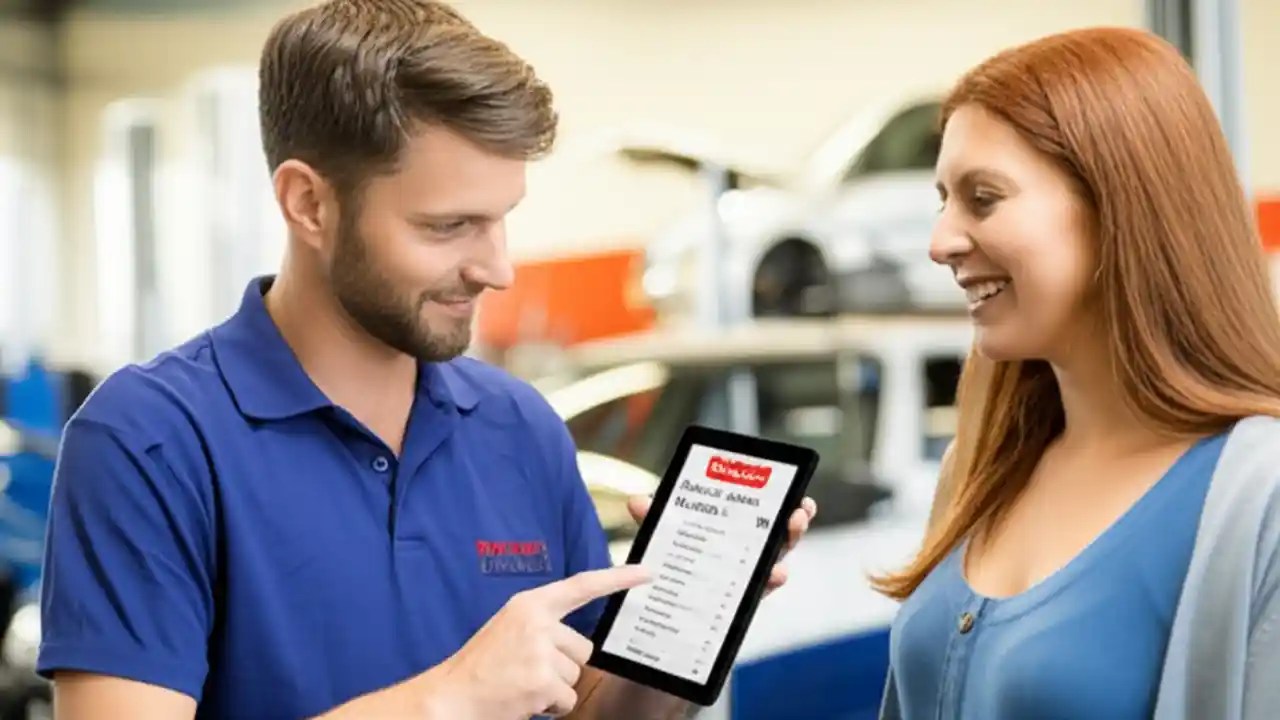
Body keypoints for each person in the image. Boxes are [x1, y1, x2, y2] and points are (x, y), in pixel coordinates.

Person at [36, 2, 818, 718]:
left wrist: (685, 626)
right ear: (309, 204)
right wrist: (447, 698)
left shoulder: (521, 431)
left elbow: (589, 713)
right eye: (449, 226)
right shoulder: (146, 441)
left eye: (502, 218)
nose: (497, 268)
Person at [872, 27, 1280, 719]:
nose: (941, 242)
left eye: (984, 197)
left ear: (1119, 204)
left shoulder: (1257, 499)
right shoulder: (978, 471)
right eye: (943, 198)